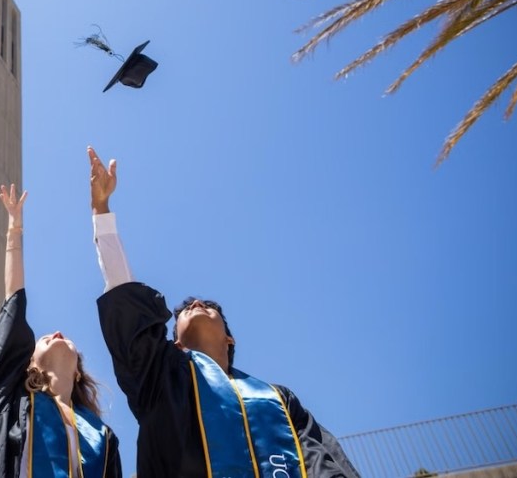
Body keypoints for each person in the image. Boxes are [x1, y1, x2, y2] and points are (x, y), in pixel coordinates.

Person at [87, 148, 360, 478]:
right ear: (176, 344)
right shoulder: (161, 378)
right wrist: (101, 210)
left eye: (209, 306)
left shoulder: (277, 399)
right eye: (186, 309)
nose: (196, 305)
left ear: (230, 339)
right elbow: (125, 295)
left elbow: (322, 463)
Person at [0, 184, 122, 478]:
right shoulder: (9, 399)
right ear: (29, 362)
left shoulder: (102, 437)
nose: (57, 333)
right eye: (44, 338)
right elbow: (13, 303)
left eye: (66, 340)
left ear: (78, 372)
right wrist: (14, 232)